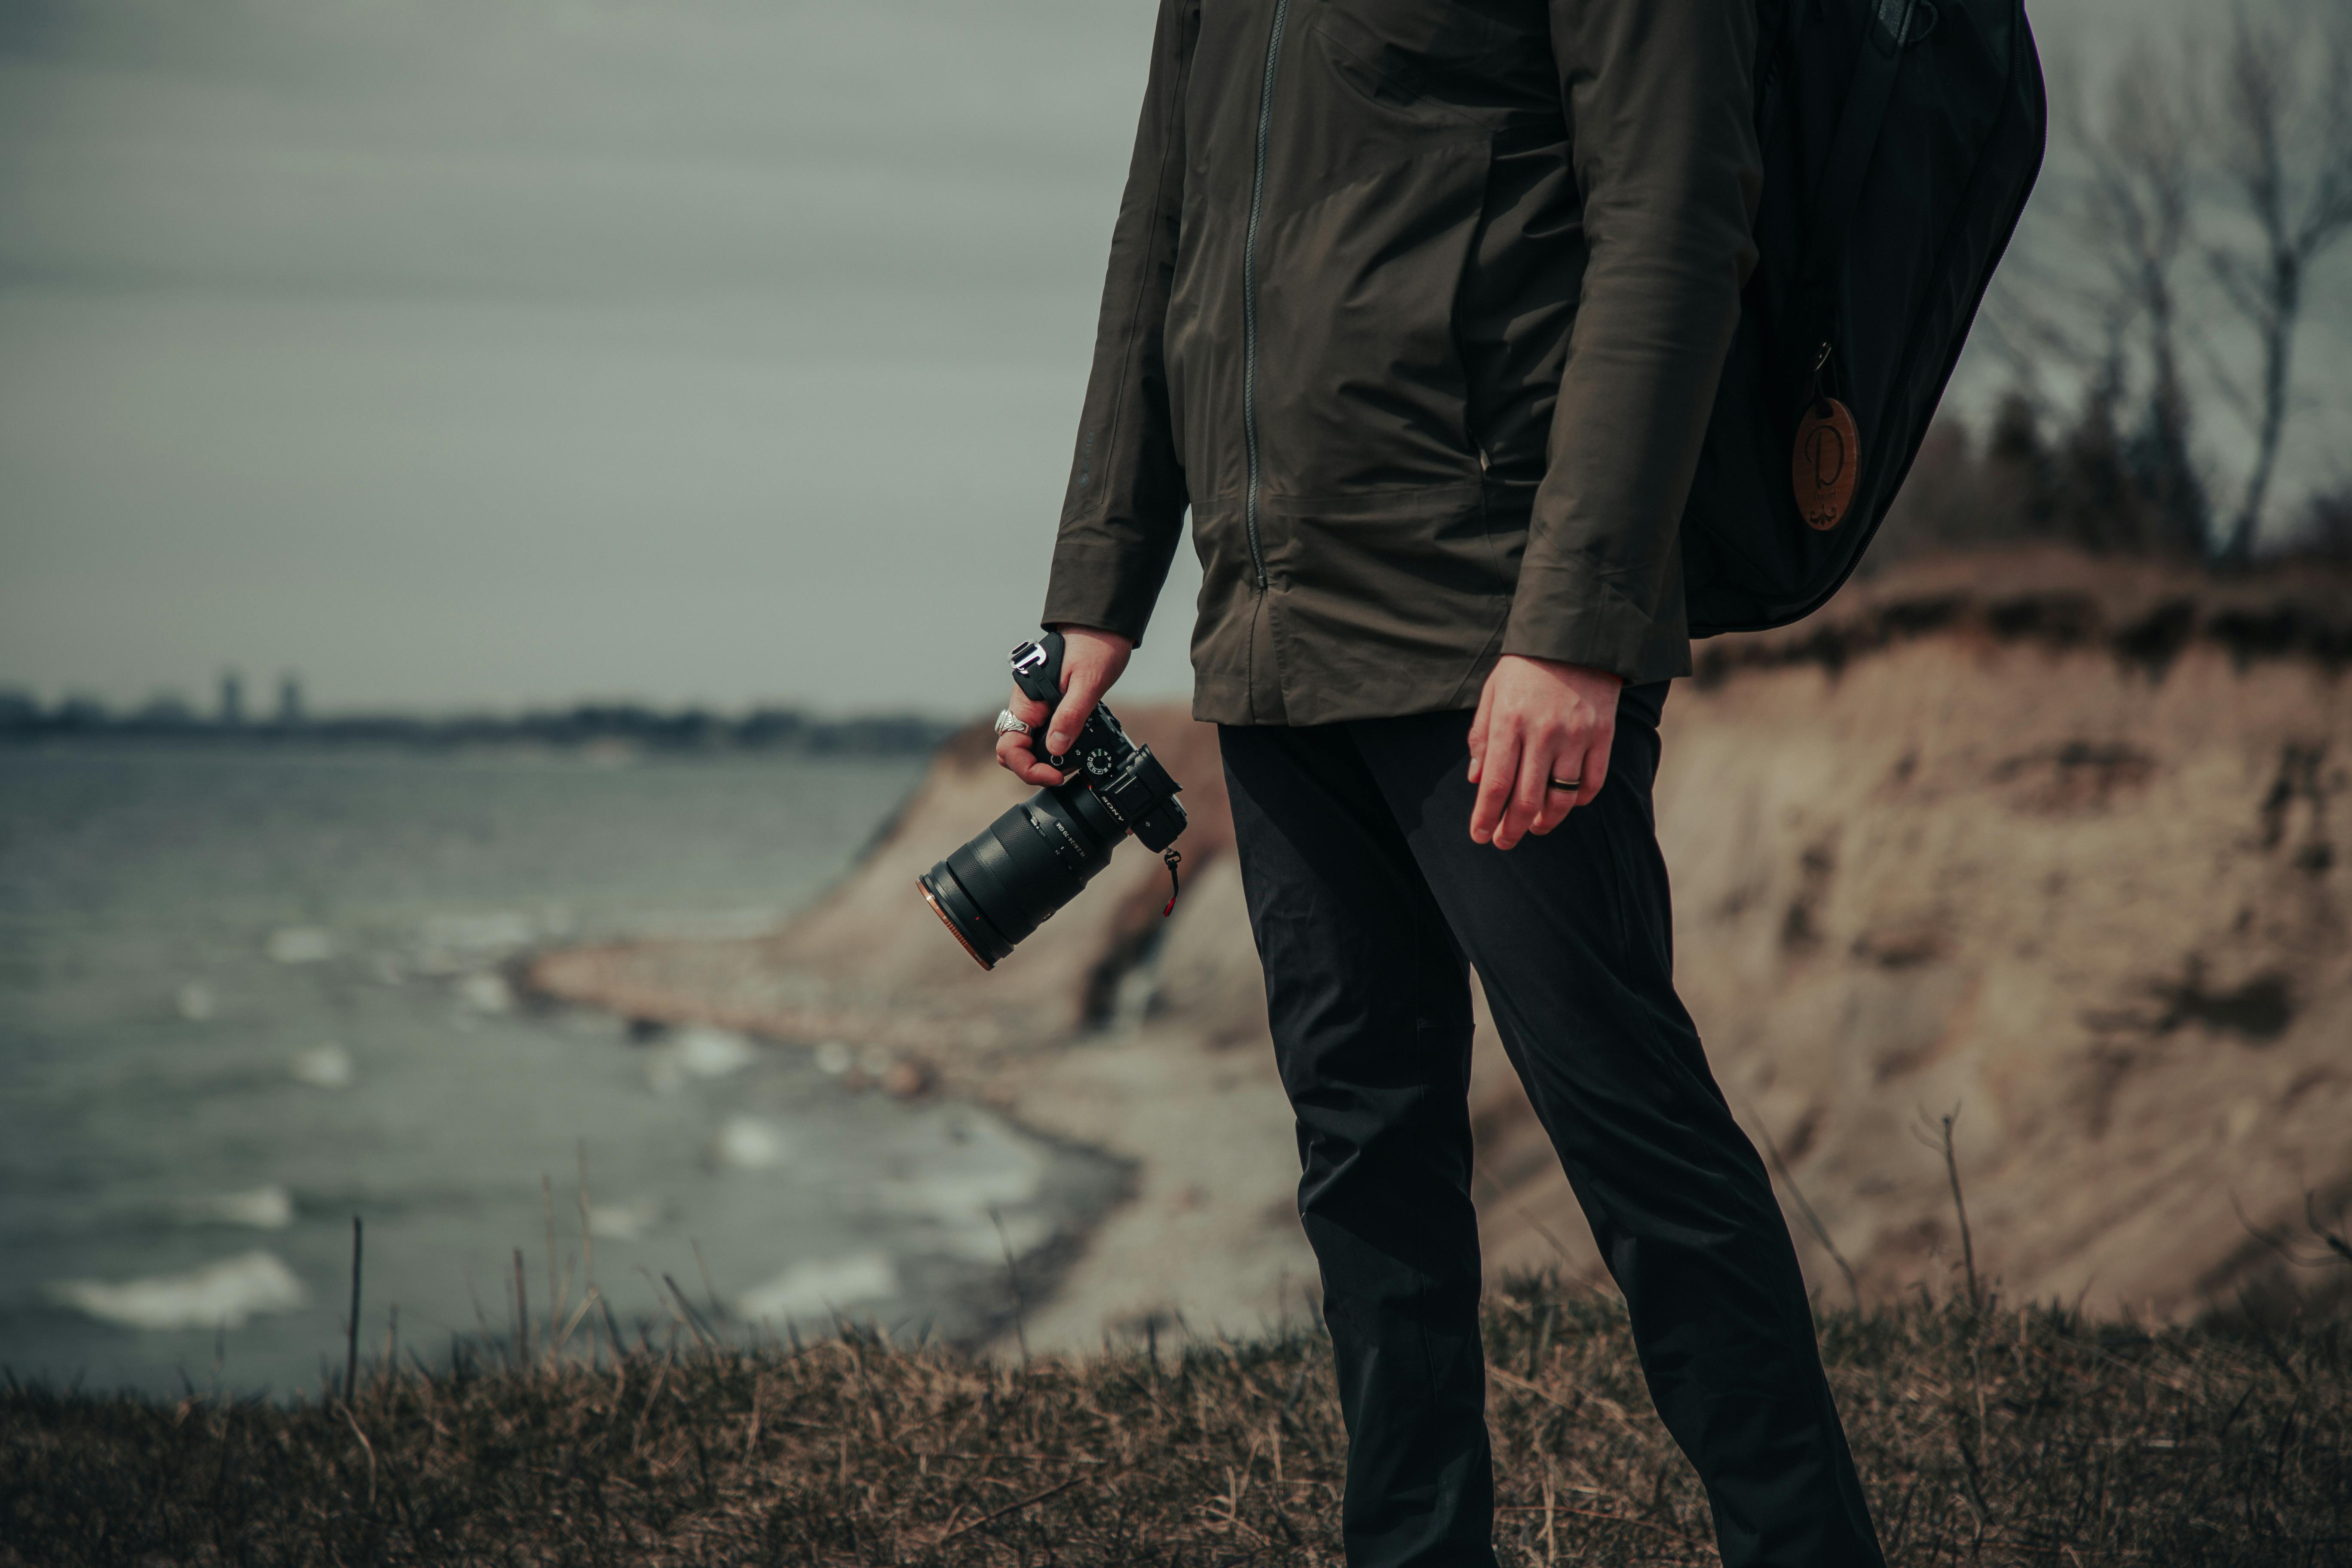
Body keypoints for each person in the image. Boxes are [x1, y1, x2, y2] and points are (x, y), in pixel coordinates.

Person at [995, 2, 1886, 1563]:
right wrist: (1100, 589)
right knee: (1361, 1155)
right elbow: (1162, 235)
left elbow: (1673, 218)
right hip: (1270, 637)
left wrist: (1575, 629)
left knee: (1635, 1143)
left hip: (1496, 630)